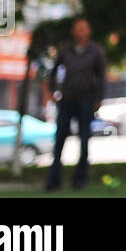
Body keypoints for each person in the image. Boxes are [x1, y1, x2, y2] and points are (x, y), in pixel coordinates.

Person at [45, 16, 106, 191]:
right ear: (73, 31)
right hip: (66, 100)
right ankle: (54, 179)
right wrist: (52, 92)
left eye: (83, 28)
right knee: (60, 140)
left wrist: (99, 98)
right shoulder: (65, 50)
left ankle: (81, 179)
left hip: (86, 100)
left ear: (89, 31)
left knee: (85, 140)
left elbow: (101, 77)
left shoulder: (95, 51)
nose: (80, 32)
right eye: (78, 28)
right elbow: (53, 72)